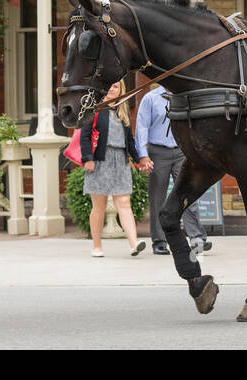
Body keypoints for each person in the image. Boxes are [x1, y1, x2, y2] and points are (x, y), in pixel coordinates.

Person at [135, 83, 211, 257]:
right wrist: (143, 155)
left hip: (182, 152)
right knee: (158, 198)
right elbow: (141, 127)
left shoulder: (185, 96)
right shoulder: (151, 98)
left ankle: (197, 238)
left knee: (189, 193)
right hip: (157, 152)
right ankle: (159, 241)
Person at [81, 79, 146, 258]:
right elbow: (84, 136)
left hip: (121, 161)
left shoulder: (122, 111)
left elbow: (130, 141)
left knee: (124, 203)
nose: (111, 88)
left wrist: (139, 159)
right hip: (99, 160)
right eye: (109, 85)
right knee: (99, 206)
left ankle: (134, 243)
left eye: (116, 86)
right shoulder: (94, 108)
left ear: (121, 90)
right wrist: (88, 158)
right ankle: (96, 245)